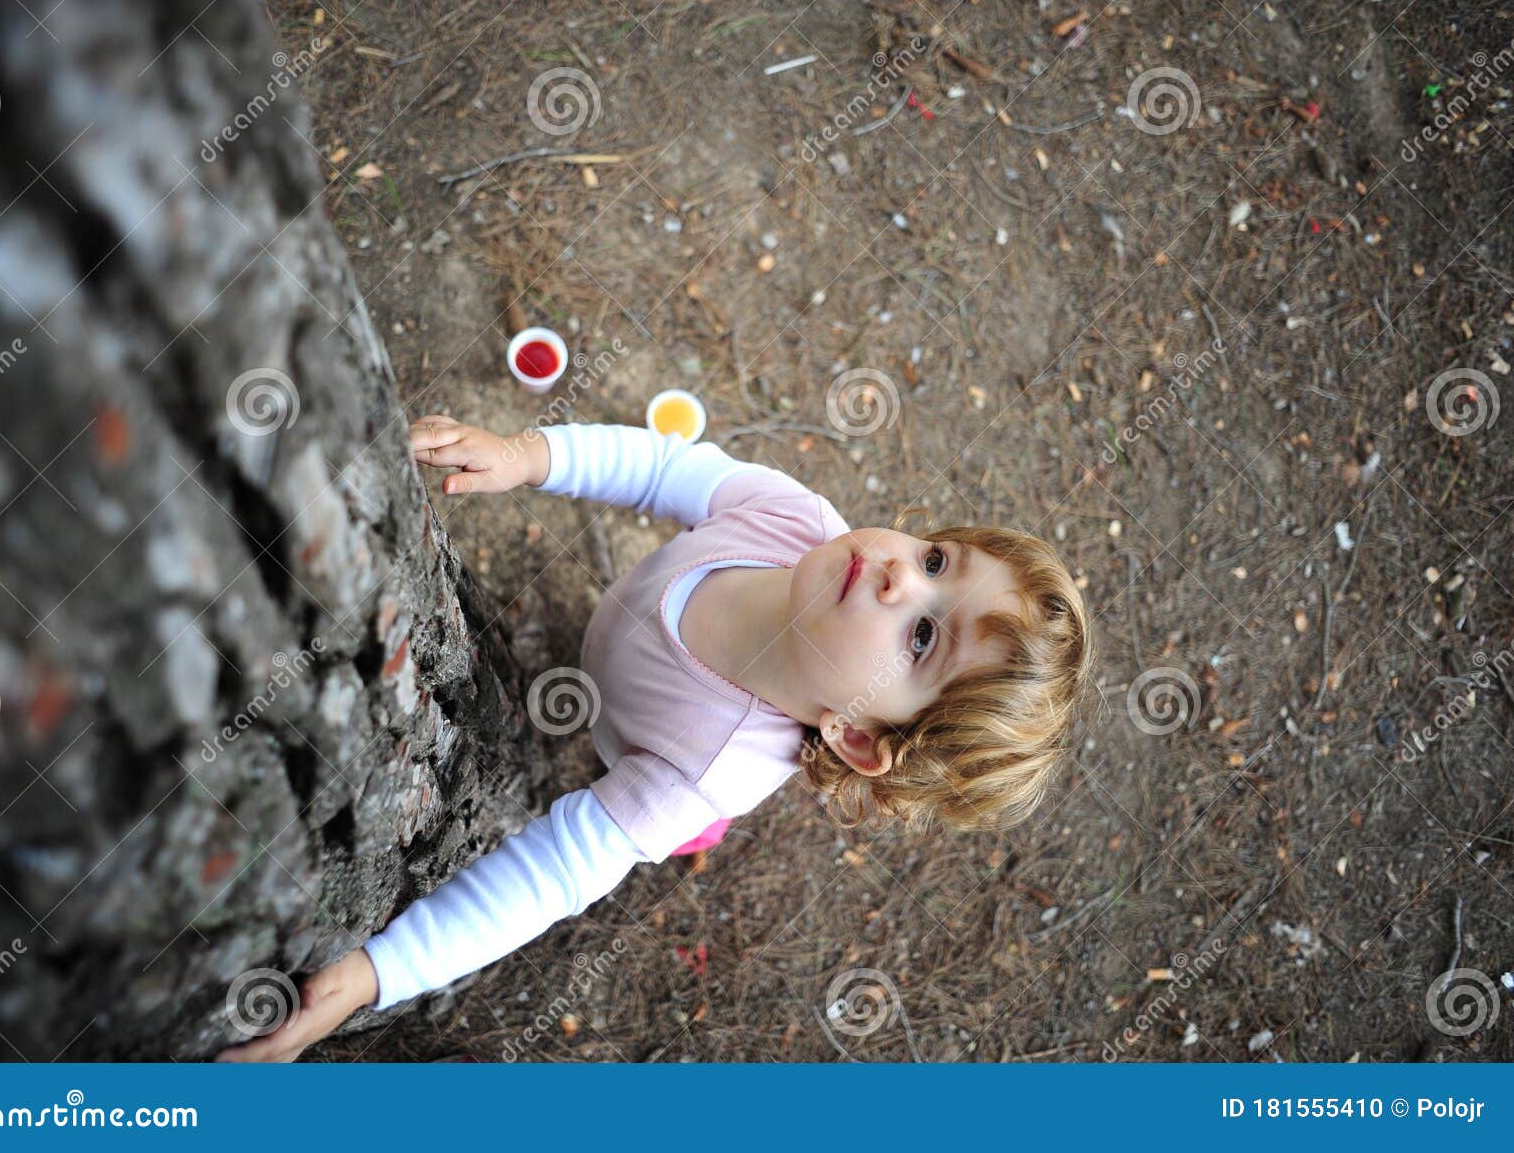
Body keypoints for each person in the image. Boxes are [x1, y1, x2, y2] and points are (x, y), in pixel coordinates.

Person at [214, 415, 1092, 1061]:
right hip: (612, 655)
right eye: (938, 559)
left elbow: (546, 876)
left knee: (657, 824)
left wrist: (372, 974)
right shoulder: (796, 519)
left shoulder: (694, 772)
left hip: (636, 738)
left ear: (859, 735)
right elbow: (665, 468)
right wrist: (528, 457)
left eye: (923, 638)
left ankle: (675, 826)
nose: (903, 573)